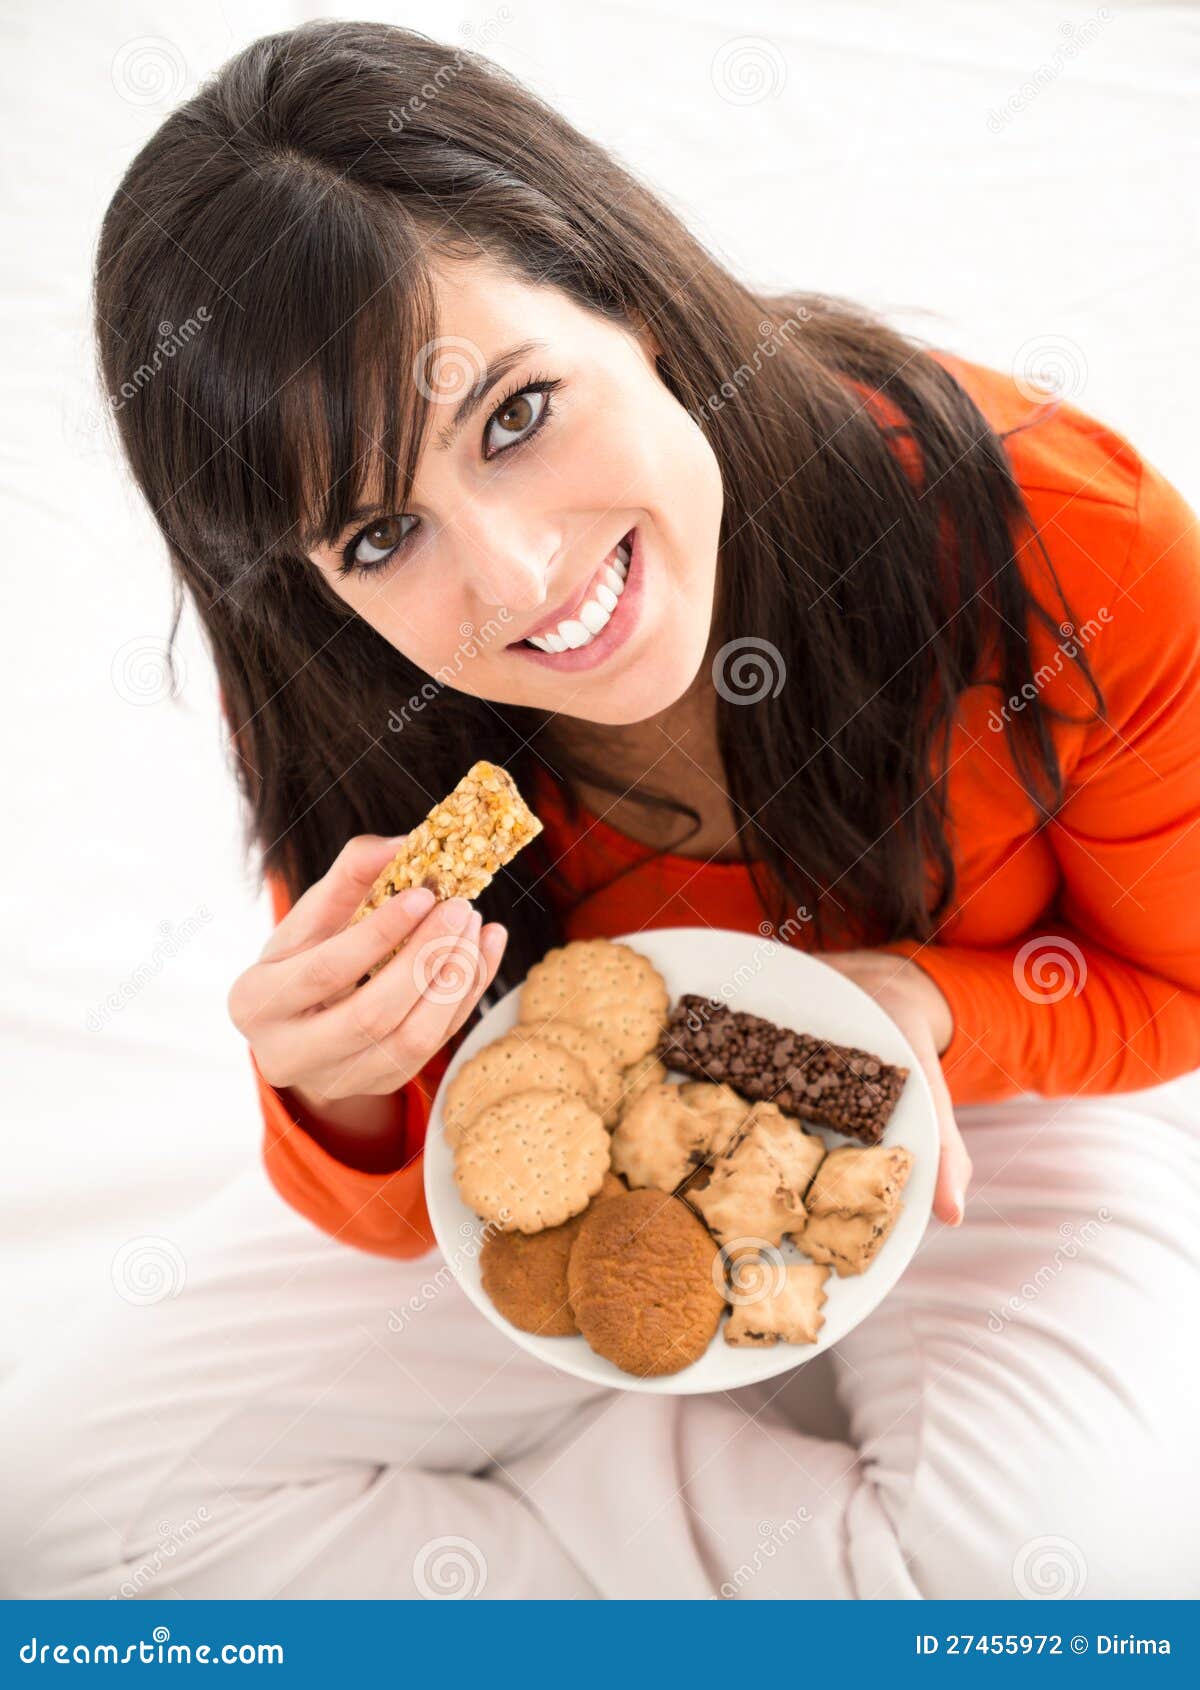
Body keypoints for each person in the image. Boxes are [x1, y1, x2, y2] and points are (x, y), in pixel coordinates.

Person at [3, 19, 1198, 1599]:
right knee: (59, 1510)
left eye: (513, 413)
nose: (517, 578)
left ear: (622, 288)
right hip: (590, 1130)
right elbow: (433, 1178)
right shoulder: (347, 687)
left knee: (1074, 1582)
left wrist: (927, 1004)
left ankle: (672, 1500)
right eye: (377, 533)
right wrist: (343, 1090)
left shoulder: (1054, 535)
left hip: (989, 1097)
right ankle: (721, 1509)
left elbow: (1178, 985)